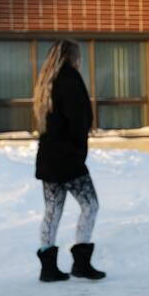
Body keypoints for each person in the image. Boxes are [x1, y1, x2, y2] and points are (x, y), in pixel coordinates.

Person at [33, 39, 104, 282]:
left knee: (52, 210)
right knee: (91, 205)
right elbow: (79, 119)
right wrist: (78, 152)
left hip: (48, 157)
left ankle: (48, 267)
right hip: (68, 158)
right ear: (73, 57)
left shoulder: (47, 82)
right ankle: (81, 263)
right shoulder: (70, 79)